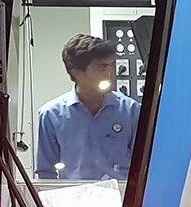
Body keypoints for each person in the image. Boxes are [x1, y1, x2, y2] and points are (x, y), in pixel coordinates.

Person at [35, 34, 141, 180]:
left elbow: (142, 167)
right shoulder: (51, 115)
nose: (110, 74)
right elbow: (45, 172)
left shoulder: (131, 111)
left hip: (121, 198)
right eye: (101, 67)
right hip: (73, 198)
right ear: (76, 72)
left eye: (112, 65)